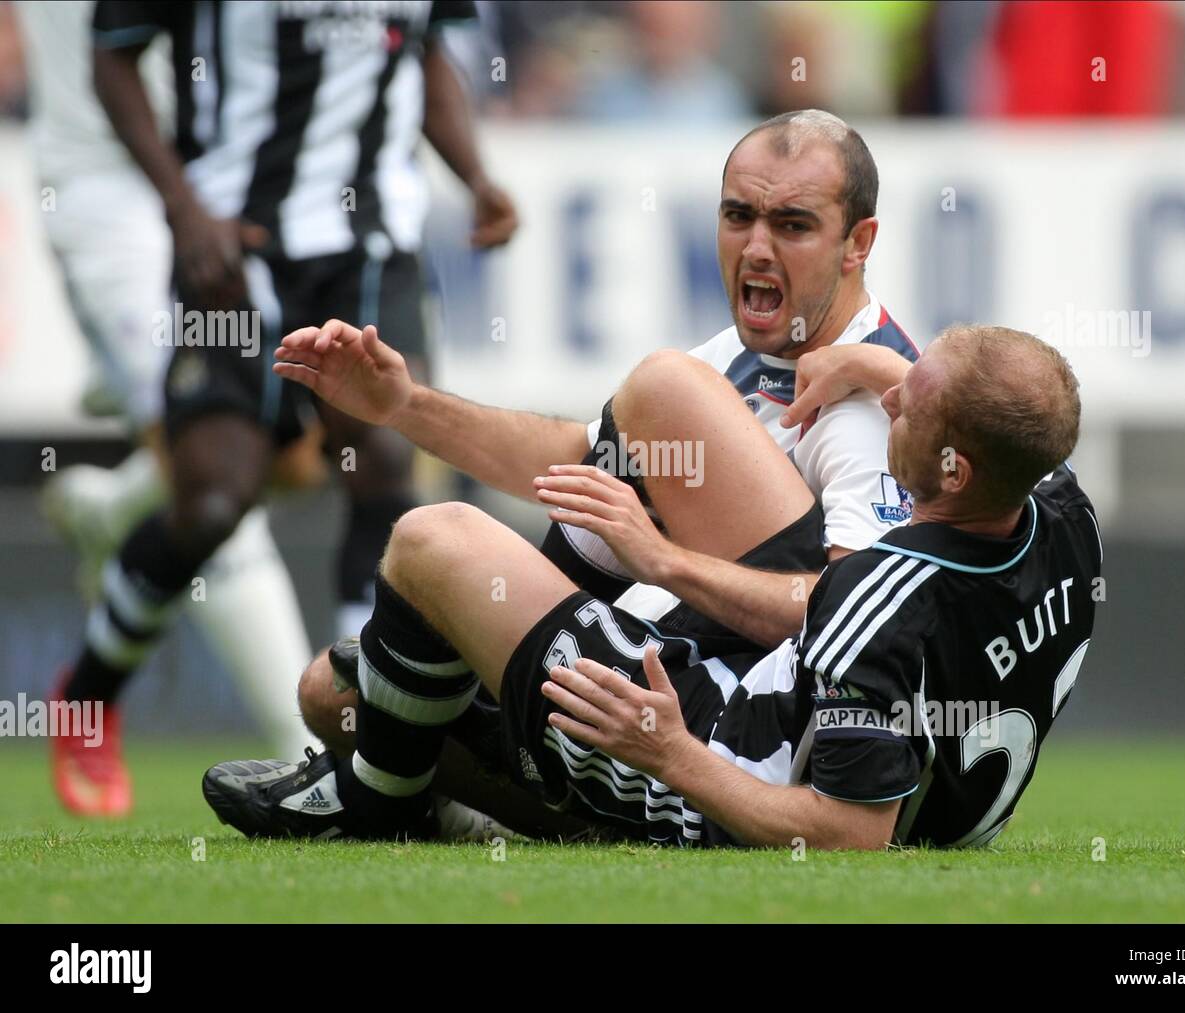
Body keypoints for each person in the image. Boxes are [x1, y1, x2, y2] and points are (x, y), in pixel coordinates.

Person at [205, 325, 1101, 848]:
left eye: (913, 403)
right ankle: (429, 771)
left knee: (427, 547)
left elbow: (850, 834)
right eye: (738, 210)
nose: (893, 401)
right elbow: (994, 432)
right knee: (361, 690)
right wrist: (882, 368)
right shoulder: (1062, 513)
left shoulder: (875, 601)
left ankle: (374, 803)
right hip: (786, 699)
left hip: (704, 754)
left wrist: (669, 751)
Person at [51, 0, 518, 817]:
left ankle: (366, 746)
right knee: (214, 499)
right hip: (232, 247)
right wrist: (181, 205)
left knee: (382, 472)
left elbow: (429, 52)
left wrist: (475, 174)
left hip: (373, 249)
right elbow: (112, 52)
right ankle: (87, 692)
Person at [15, 0, 315, 814]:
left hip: (230, 177)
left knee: (295, 455)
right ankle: (308, 750)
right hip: (108, 196)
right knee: (215, 472)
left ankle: (107, 511)